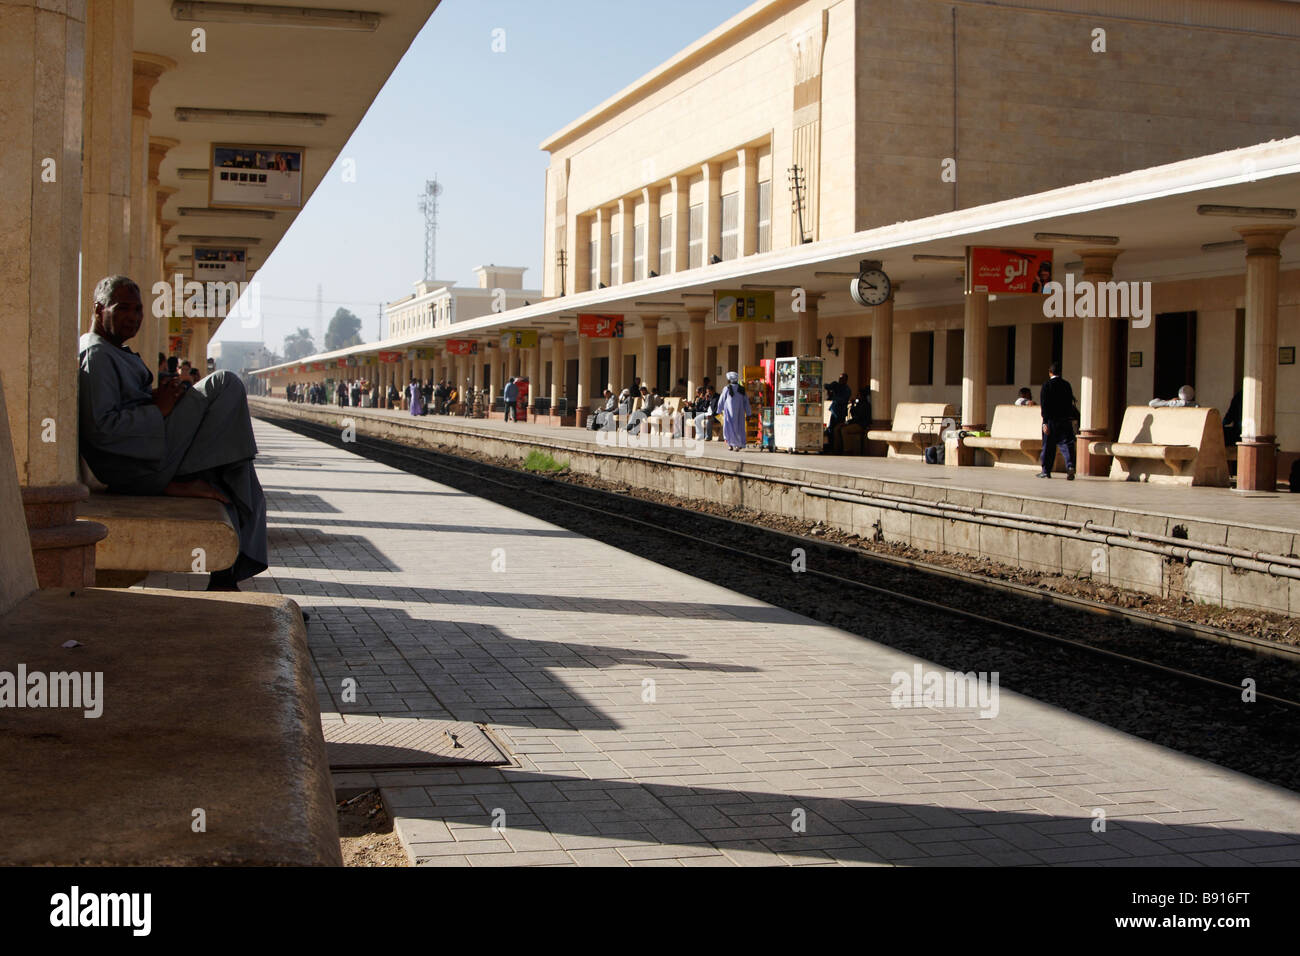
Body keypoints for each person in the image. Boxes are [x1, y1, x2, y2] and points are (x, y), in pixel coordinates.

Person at [78, 275, 268, 590]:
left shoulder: (112, 351)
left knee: (232, 473)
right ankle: (226, 577)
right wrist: (160, 410)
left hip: (149, 452)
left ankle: (226, 577)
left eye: (138, 310)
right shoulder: (97, 355)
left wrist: (157, 397)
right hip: (138, 467)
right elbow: (102, 428)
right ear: (99, 310)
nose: (133, 317)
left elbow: (120, 408)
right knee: (225, 386)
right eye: (122, 308)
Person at [1038, 361, 1077, 480]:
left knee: (1048, 446)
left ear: (1050, 372)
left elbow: (1044, 405)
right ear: (1060, 372)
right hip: (1065, 420)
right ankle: (1070, 466)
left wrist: (1045, 422)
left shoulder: (1046, 385)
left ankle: (1046, 471)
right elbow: (1070, 403)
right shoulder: (1066, 385)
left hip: (1051, 421)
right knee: (1067, 444)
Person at [717, 372, 751, 451]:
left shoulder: (726, 388)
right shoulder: (741, 389)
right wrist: (748, 413)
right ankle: (737, 445)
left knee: (729, 428)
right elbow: (746, 402)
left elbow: (721, 400)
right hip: (740, 413)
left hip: (729, 413)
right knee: (739, 428)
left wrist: (719, 410)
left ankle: (731, 445)